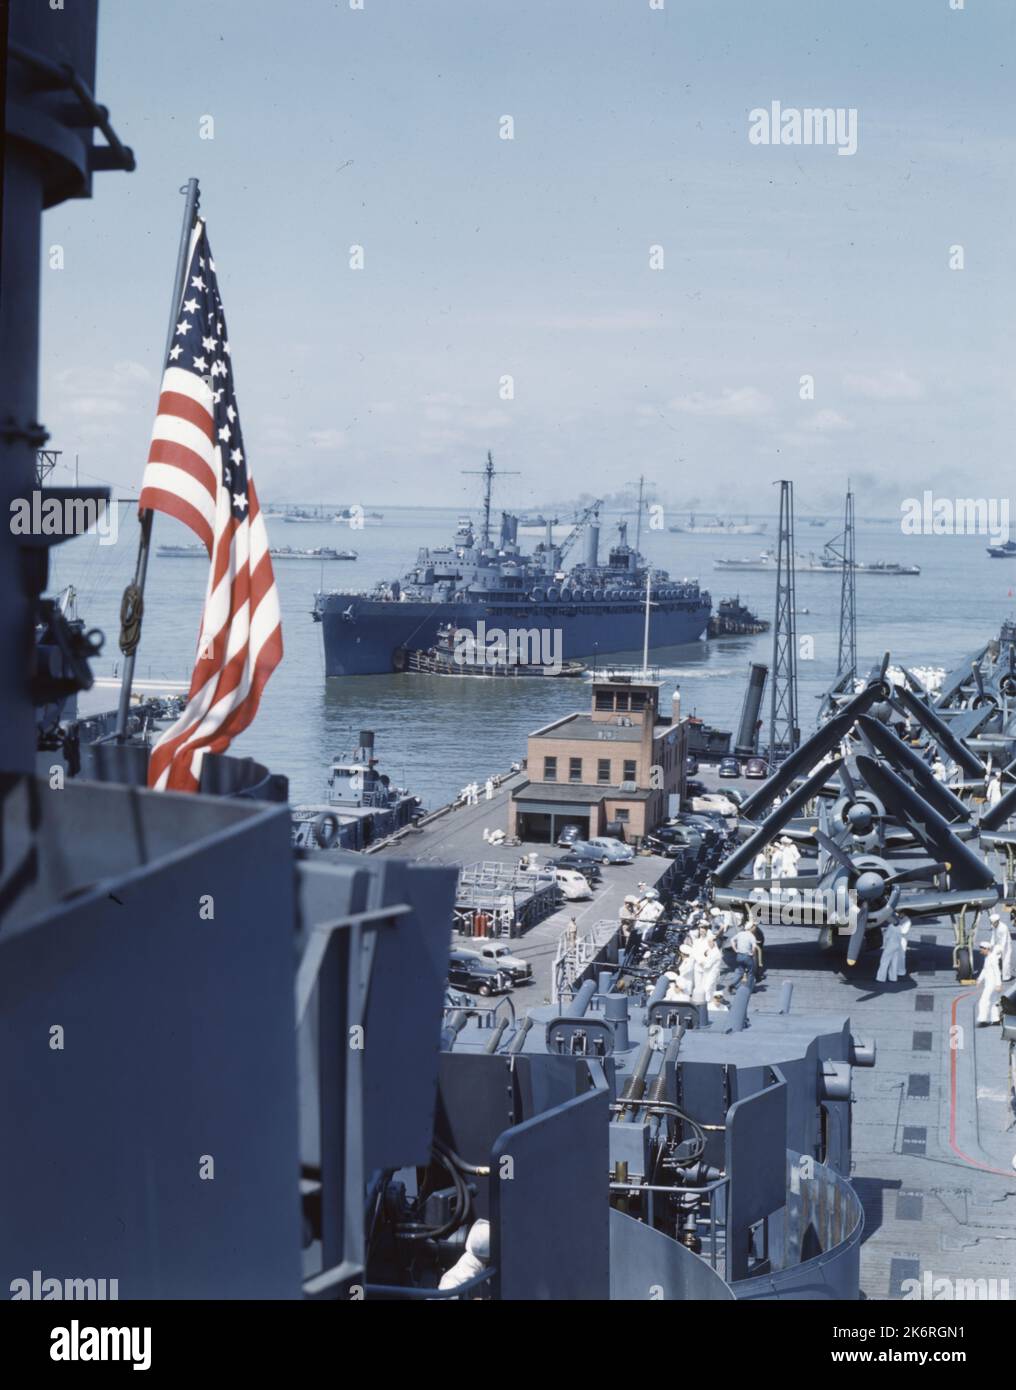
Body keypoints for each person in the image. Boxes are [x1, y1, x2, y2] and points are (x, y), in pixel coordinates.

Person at [876, 914, 910, 983]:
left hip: (890, 945)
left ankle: (881, 978)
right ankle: (893, 978)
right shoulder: (899, 928)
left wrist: (884, 936)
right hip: (897, 945)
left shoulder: (891, 926)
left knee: (884, 961)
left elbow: (887, 936)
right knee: (894, 962)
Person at [977, 941, 1003, 1026]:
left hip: (992, 984)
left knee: (983, 1001)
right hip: (989, 983)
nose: (980, 951)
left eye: (981, 949)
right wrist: (979, 979)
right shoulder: (988, 958)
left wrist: (998, 984)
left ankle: (982, 1020)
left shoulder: (993, 958)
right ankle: (996, 1020)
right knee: (993, 1001)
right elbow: (984, 970)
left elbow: (997, 972)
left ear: (986, 949)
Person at [728, 921, 758, 993]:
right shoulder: (752, 936)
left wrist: (735, 949)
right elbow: (754, 947)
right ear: (751, 928)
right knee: (751, 973)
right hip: (747, 956)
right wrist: (752, 954)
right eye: (754, 926)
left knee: (740, 972)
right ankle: (749, 989)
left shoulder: (740, 934)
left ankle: (733, 985)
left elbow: (732, 940)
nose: (755, 928)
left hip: (739, 956)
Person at [694, 933, 723, 1004]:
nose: (709, 943)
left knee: (707, 988)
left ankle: (706, 1003)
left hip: (712, 973)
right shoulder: (711, 950)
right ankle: (711, 1002)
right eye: (708, 942)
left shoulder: (716, 952)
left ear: (714, 942)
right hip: (708, 972)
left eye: (710, 942)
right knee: (710, 988)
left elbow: (707, 965)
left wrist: (700, 961)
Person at [993, 912, 1014, 982]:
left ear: (997, 921)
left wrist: (1001, 949)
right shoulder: (995, 926)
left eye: (994, 923)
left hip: (1006, 946)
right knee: (996, 959)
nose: (993, 924)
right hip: (999, 944)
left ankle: (1006, 977)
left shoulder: (1003, 927)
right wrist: (991, 945)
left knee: (1006, 961)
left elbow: (1004, 940)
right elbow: (993, 937)